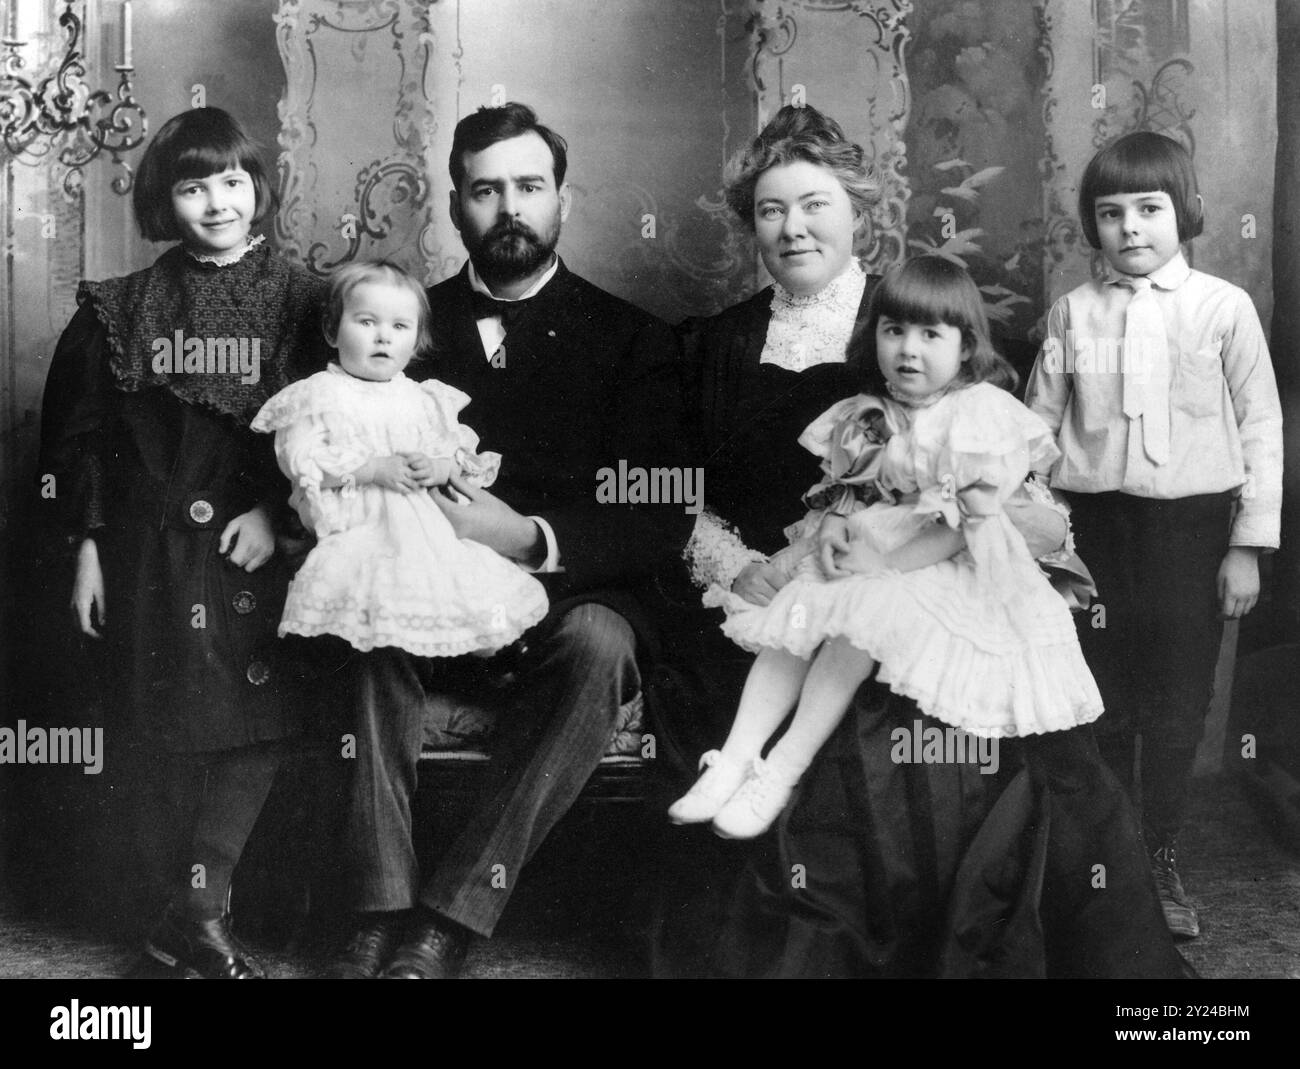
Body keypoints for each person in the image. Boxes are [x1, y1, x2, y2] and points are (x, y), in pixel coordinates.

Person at [656, 104, 1183, 978]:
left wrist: (941, 541)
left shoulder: (914, 323)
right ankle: (745, 772)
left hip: (922, 587)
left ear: (857, 210)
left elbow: (1019, 502)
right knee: (764, 676)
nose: (794, 228)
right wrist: (744, 568)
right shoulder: (708, 347)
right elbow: (679, 493)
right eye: (771, 210)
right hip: (771, 593)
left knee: (921, 734)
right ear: (750, 224)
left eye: (815, 204)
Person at [324, 102, 690, 979]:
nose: (510, 209)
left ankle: (449, 916)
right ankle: (377, 905)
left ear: (564, 200)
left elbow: (661, 513)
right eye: (486, 191)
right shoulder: (400, 325)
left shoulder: (636, 340)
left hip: (557, 603)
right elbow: (338, 437)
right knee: (367, 632)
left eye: (530, 186)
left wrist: (527, 535)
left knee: (604, 642)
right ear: (455, 207)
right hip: (421, 591)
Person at [670, 256, 1103, 840]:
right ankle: (735, 758)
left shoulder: (980, 413)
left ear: (967, 345)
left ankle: (781, 769)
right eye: (893, 330)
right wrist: (830, 531)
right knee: (795, 616)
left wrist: (883, 566)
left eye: (930, 334)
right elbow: (848, 496)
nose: (908, 349)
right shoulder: (869, 412)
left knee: (858, 622)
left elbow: (961, 525)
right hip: (884, 544)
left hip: (952, 562)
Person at [38, 108, 324, 977]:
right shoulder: (122, 309)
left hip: (261, 545)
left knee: (271, 712)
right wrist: (86, 548)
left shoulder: (308, 301)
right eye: (192, 187)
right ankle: (187, 911)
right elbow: (77, 440)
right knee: (167, 719)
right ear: (165, 202)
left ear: (258, 189)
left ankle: (201, 909)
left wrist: (280, 515)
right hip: (152, 549)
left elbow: (337, 421)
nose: (217, 202)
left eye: (232, 181)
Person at [1025, 131, 1283, 940]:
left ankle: (1161, 850)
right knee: (1096, 696)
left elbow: (1263, 427)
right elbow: (1035, 431)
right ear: (1090, 224)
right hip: (1090, 529)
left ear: (1187, 212)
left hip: (1192, 530)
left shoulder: (1223, 308)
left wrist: (1246, 545)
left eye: (1149, 208)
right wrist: (1037, 538)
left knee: (1176, 698)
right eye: (1110, 212)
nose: (1130, 227)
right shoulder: (1072, 312)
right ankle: (1103, 861)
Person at [251, 260, 547, 657]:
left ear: (417, 340)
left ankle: (490, 652)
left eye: (399, 327)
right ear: (332, 331)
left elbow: (455, 455)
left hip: (428, 528)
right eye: (367, 322)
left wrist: (438, 466)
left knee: (458, 584)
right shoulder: (318, 395)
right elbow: (302, 461)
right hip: (364, 526)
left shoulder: (422, 398)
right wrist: (373, 468)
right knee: (378, 593)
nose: (383, 338)